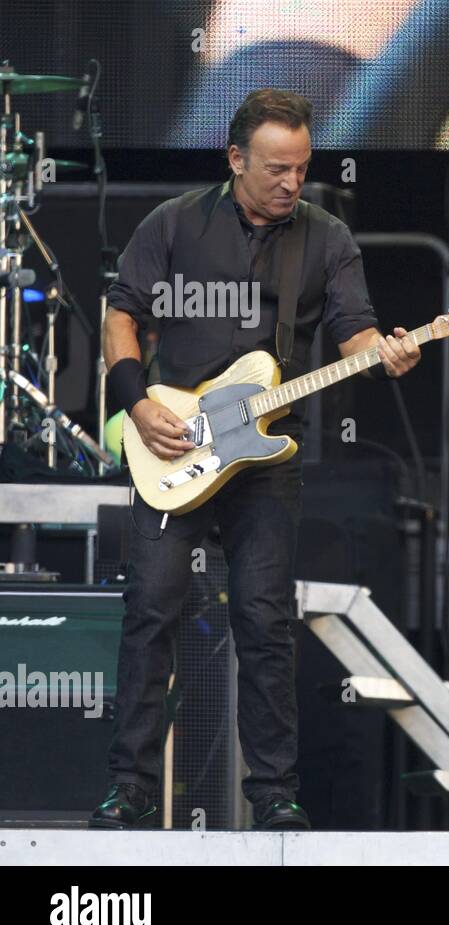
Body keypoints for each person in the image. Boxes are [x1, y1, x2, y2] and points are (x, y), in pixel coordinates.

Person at [91, 88, 421, 830]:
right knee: (151, 614)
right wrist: (137, 408)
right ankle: (130, 788)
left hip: (265, 459)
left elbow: (356, 336)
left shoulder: (327, 238)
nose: (291, 183)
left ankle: (273, 794)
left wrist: (389, 353)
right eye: (276, 168)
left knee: (265, 621)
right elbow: (122, 315)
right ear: (235, 159)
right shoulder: (172, 224)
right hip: (169, 441)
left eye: (302, 169)